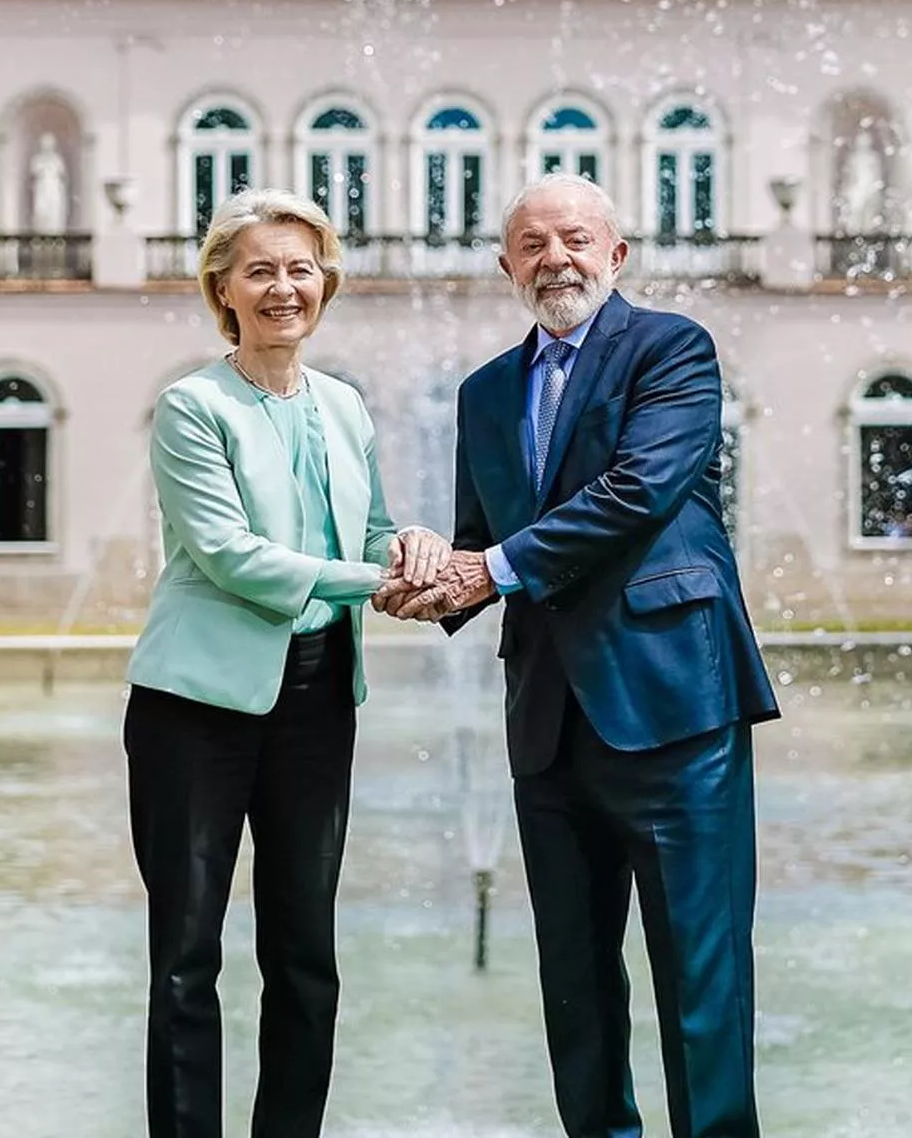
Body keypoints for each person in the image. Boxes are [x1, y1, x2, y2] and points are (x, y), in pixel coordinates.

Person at [377, 177, 778, 1138]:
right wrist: (425, 586)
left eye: (576, 238)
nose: (556, 257)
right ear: (505, 264)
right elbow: (483, 543)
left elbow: (638, 491)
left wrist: (492, 567)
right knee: (575, 984)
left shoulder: (672, 350)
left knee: (700, 978)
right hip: (549, 723)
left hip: (675, 705)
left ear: (617, 254)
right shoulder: (482, 395)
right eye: (532, 242)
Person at [126, 189, 446, 1138]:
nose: (283, 288)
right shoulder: (193, 406)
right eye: (259, 270)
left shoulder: (345, 406)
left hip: (316, 702)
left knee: (307, 951)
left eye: (300, 268)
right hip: (196, 707)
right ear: (222, 288)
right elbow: (230, 557)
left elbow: (376, 532)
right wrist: (369, 578)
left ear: (326, 283)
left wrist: (418, 557)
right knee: (186, 955)